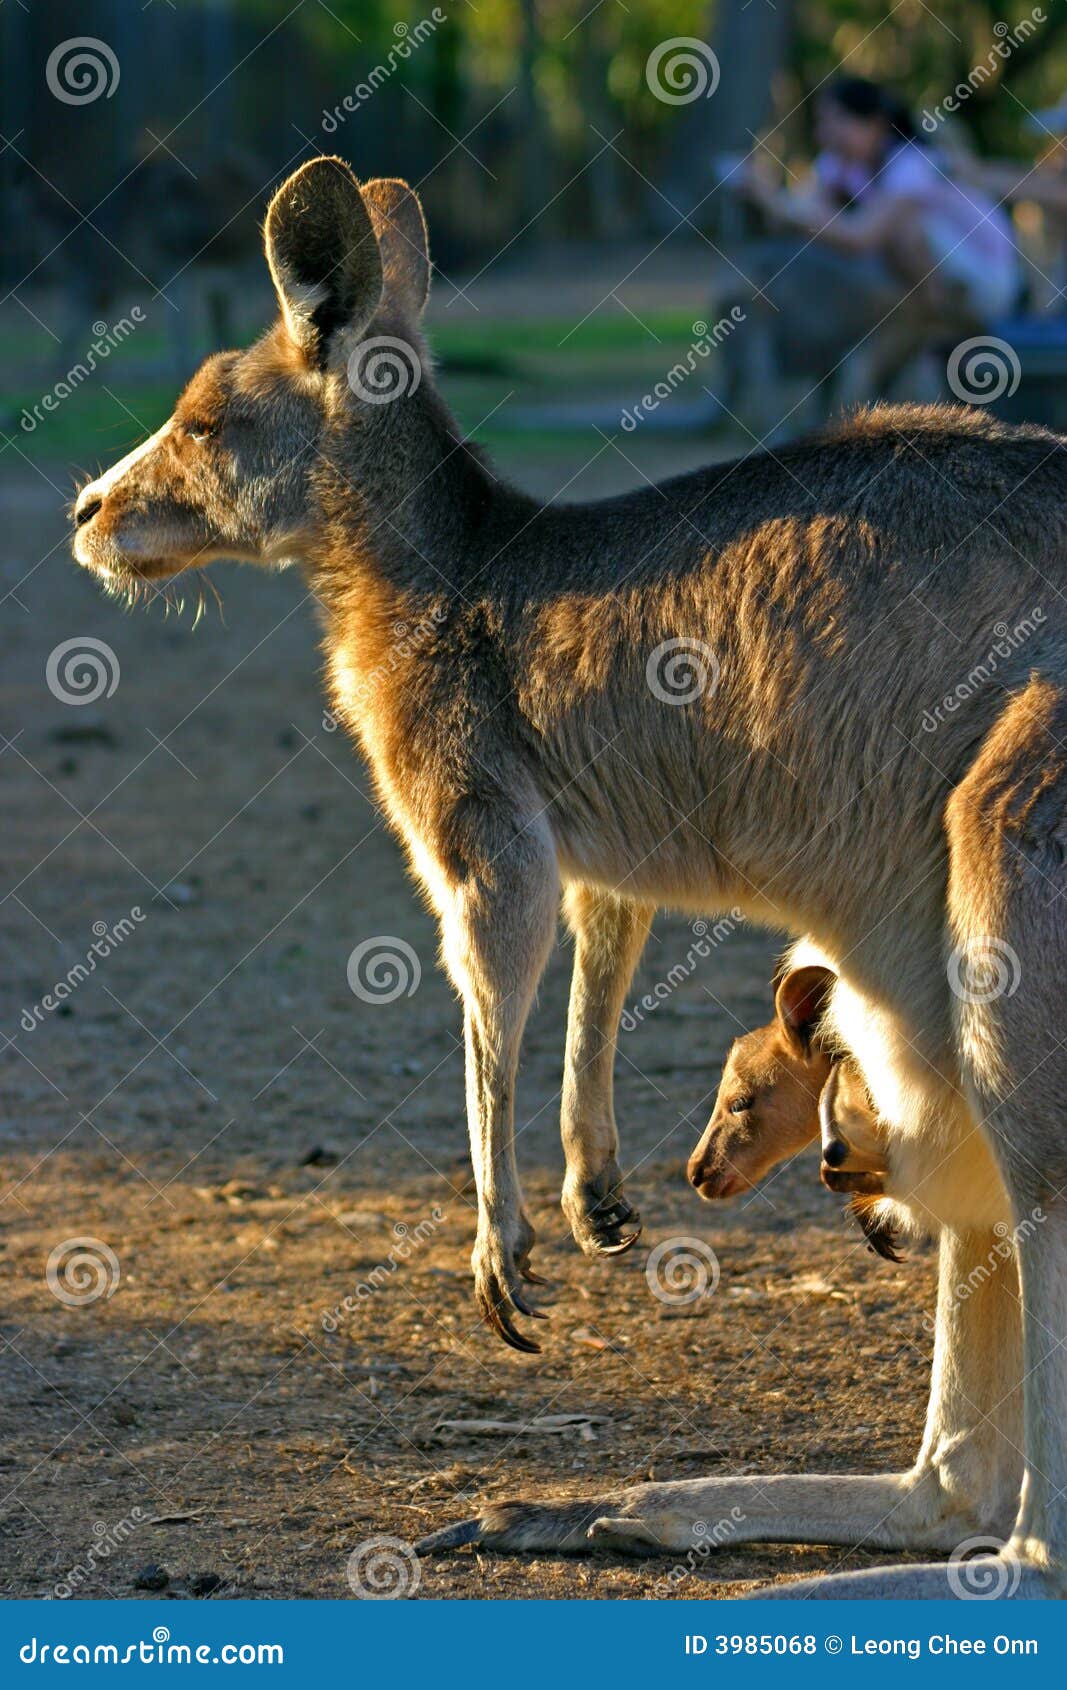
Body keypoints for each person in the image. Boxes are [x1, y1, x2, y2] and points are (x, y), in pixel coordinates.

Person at [720, 78, 1020, 433]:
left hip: (986, 279)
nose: (824, 134)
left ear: (874, 124)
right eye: (822, 122)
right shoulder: (845, 164)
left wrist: (776, 201)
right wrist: (765, 196)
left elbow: (860, 237)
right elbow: (801, 215)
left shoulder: (912, 162)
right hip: (926, 272)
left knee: (901, 229)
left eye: (835, 121)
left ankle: (934, 311)